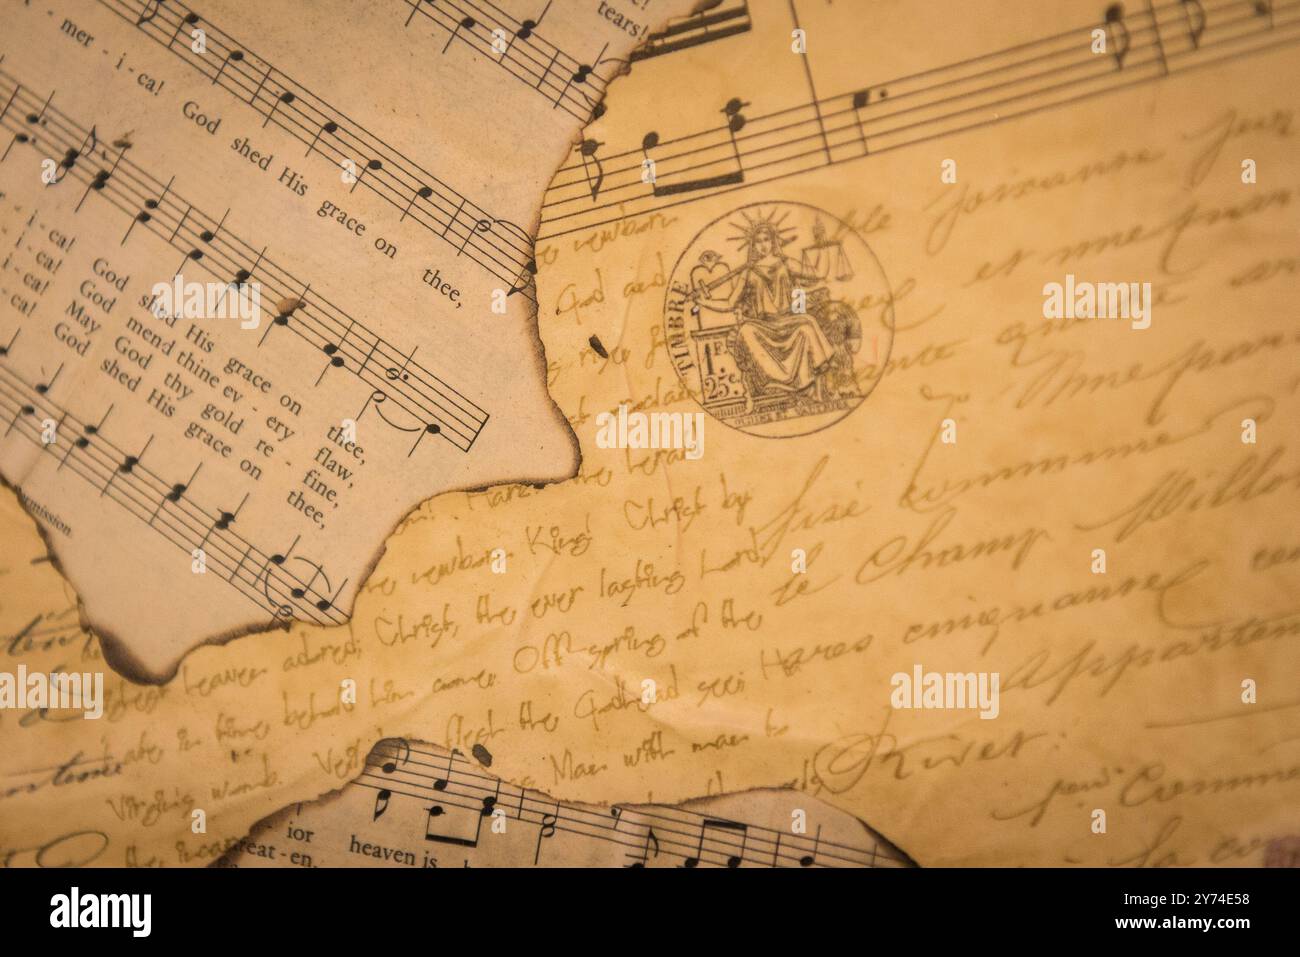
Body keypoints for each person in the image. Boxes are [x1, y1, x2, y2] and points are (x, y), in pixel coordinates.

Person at [693, 222, 835, 397]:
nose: (763, 245)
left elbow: (814, 276)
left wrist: (801, 287)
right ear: (753, 245)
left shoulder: (787, 263)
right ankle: (773, 381)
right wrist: (704, 301)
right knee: (746, 331)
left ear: (773, 241)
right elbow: (730, 303)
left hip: (788, 320)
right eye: (758, 241)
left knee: (806, 325)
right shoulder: (748, 272)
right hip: (763, 324)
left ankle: (804, 382)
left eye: (766, 239)